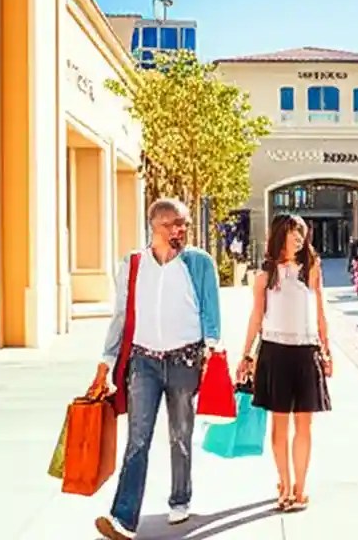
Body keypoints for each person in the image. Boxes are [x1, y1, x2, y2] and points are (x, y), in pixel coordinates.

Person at [93, 198, 222, 540]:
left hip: (185, 360)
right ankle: (123, 518)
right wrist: (106, 362)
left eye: (185, 224)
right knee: (137, 440)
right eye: (174, 224)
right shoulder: (133, 264)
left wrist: (212, 351)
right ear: (154, 225)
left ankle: (180, 498)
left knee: (180, 435)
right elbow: (121, 316)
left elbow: (210, 310)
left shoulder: (199, 262)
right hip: (143, 362)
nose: (181, 230)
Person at [237, 214, 333, 512]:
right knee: (280, 424)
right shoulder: (265, 275)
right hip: (274, 352)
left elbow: (320, 311)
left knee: (304, 424)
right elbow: (256, 316)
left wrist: (327, 349)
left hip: (307, 351)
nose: (299, 239)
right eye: (293, 233)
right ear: (280, 236)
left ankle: (300, 488)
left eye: (301, 233)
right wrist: (245, 354)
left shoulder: (311, 269)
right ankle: (285, 485)